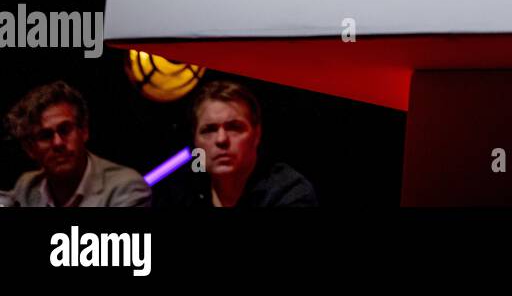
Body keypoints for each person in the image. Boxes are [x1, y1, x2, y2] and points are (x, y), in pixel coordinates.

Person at [153, 79, 317, 207]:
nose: (221, 139)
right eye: (209, 130)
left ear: (257, 134)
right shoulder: (179, 191)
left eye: (234, 128)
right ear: (195, 140)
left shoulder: (288, 192)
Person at [5, 80, 150, 207]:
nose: (58, 143)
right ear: (29, 148)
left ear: (84, 131)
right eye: (45, 136)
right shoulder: (27, 187)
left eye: (65, 130)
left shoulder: (125, 187)